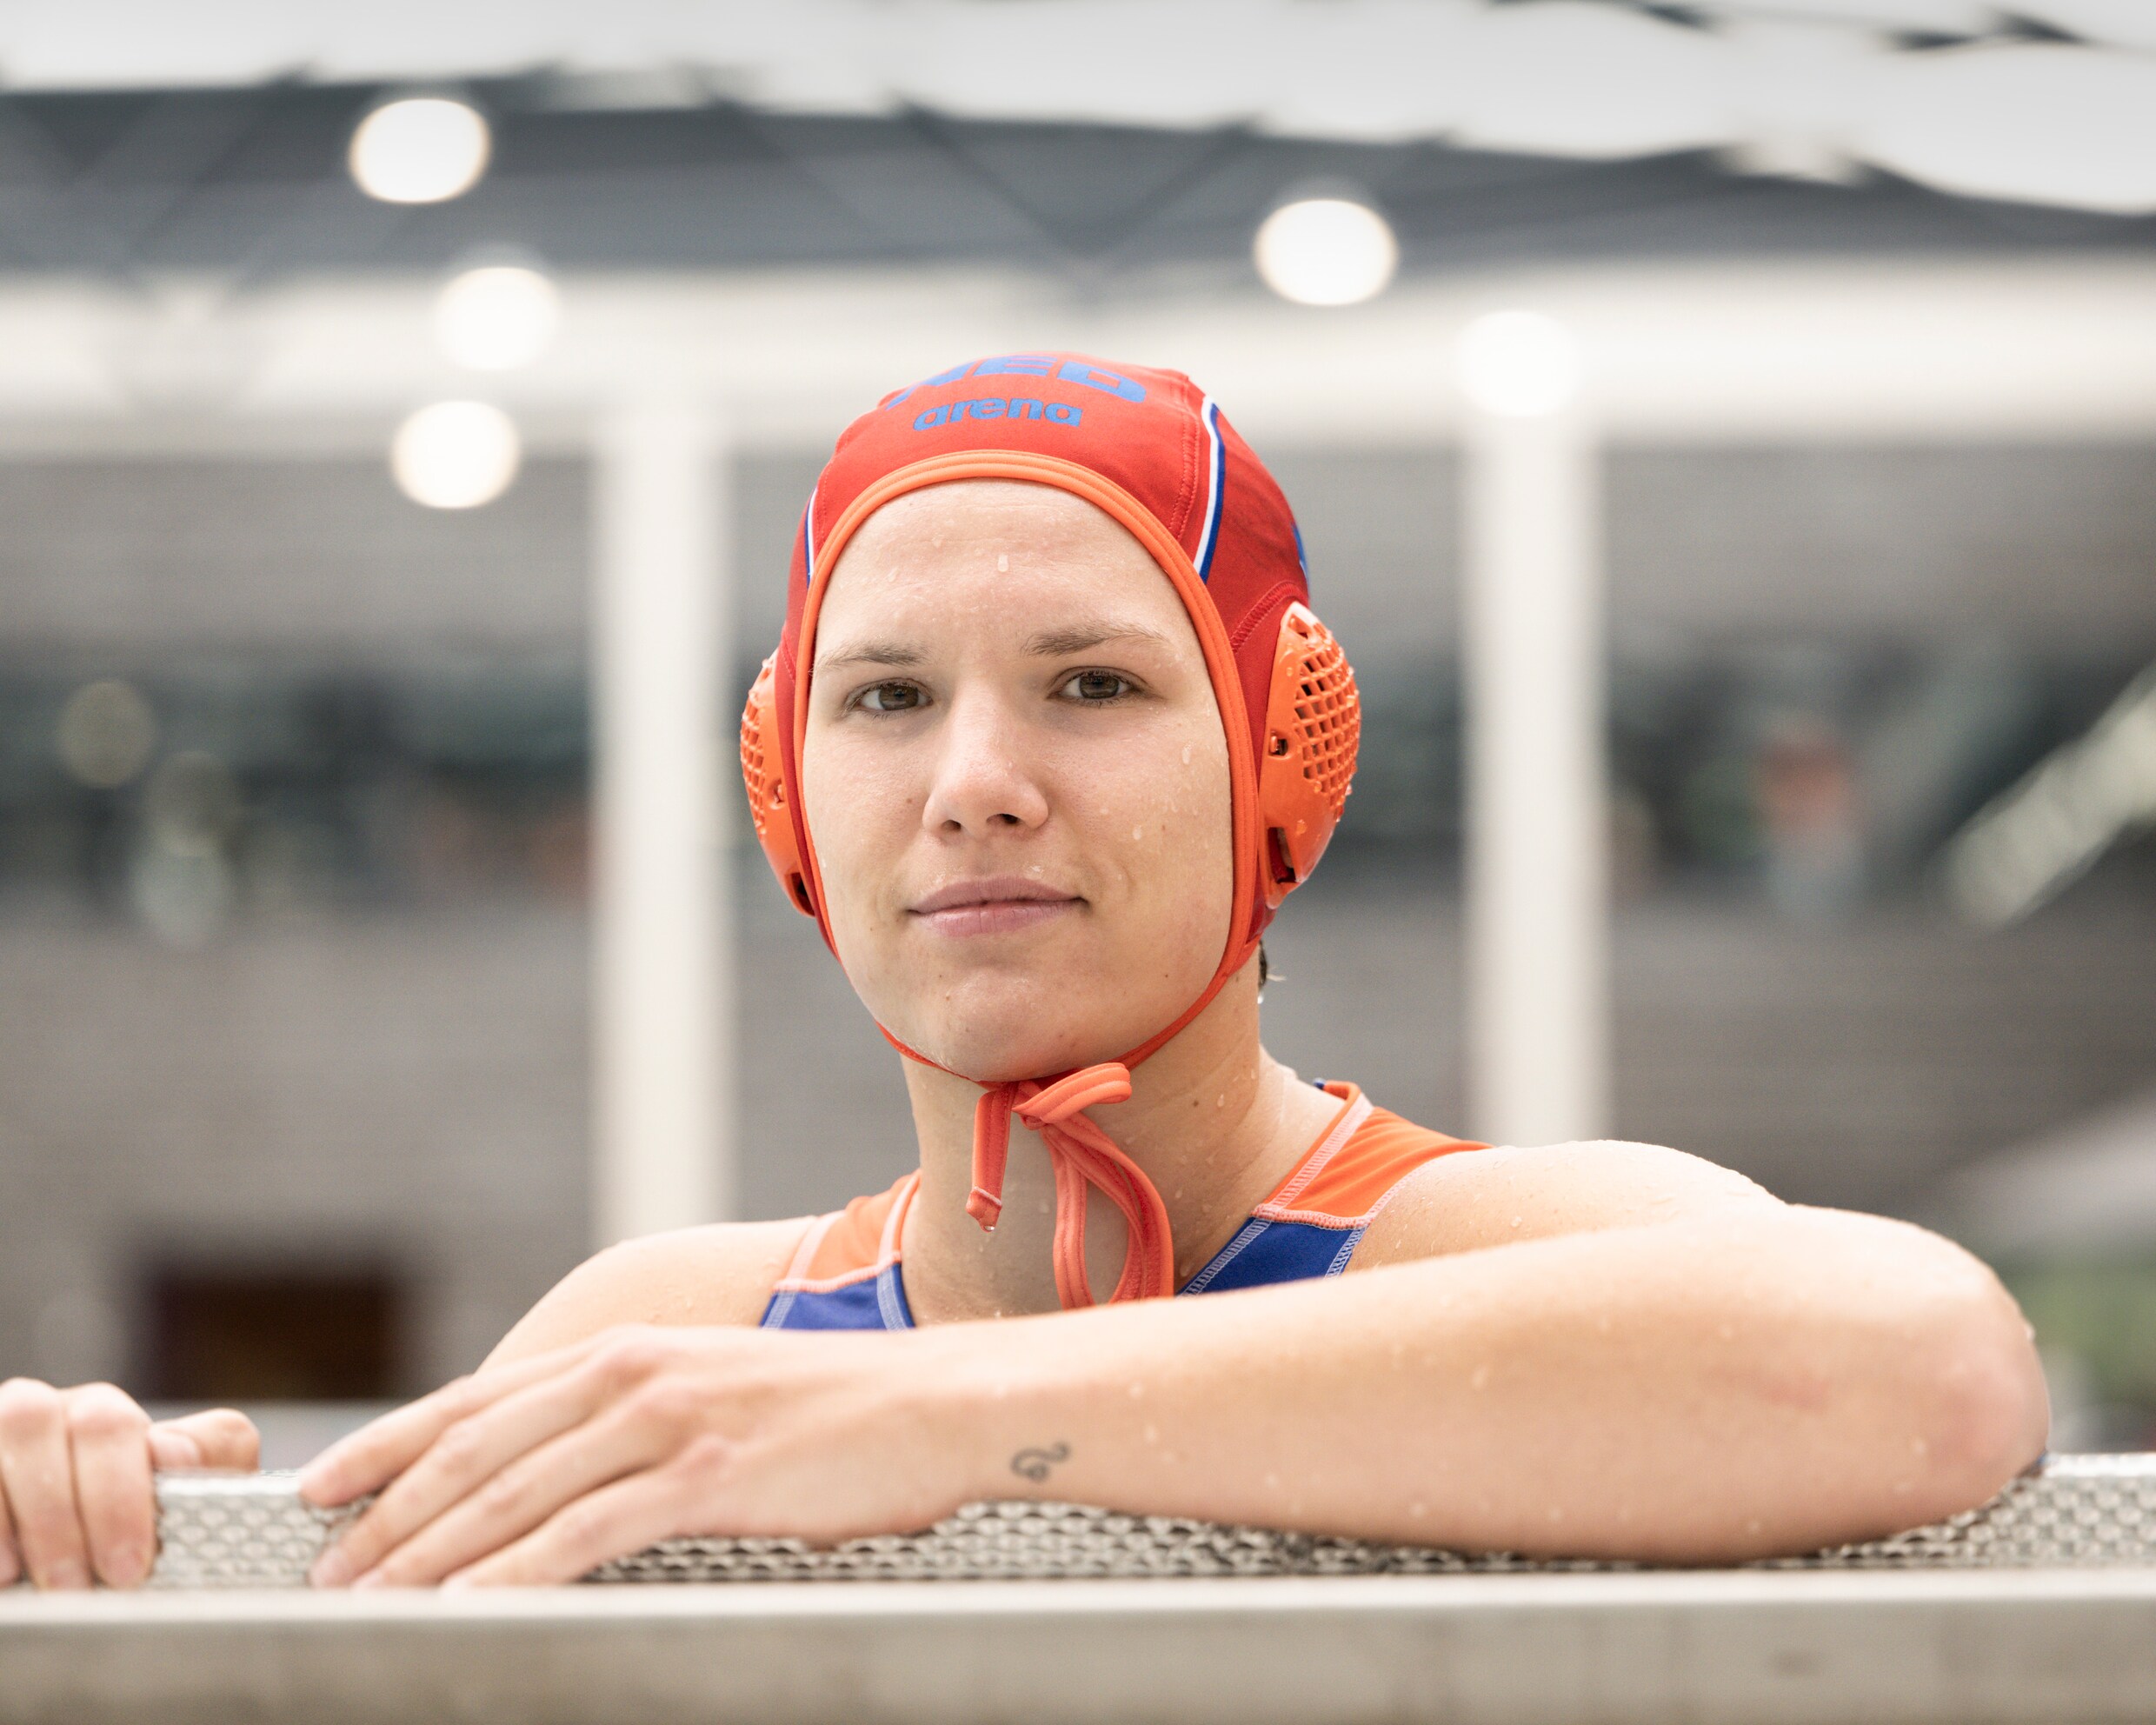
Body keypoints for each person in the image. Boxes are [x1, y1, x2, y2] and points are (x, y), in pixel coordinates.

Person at [0, 354, 2047, 1593]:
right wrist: (104, 1538)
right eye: (886, 695)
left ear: (1281, 757)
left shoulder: (1497, 1256)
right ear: (786, 792)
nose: (973, 781)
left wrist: (941, 1419)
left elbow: (1920, 1363)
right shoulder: (678, 1333)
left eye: (1091, 682)